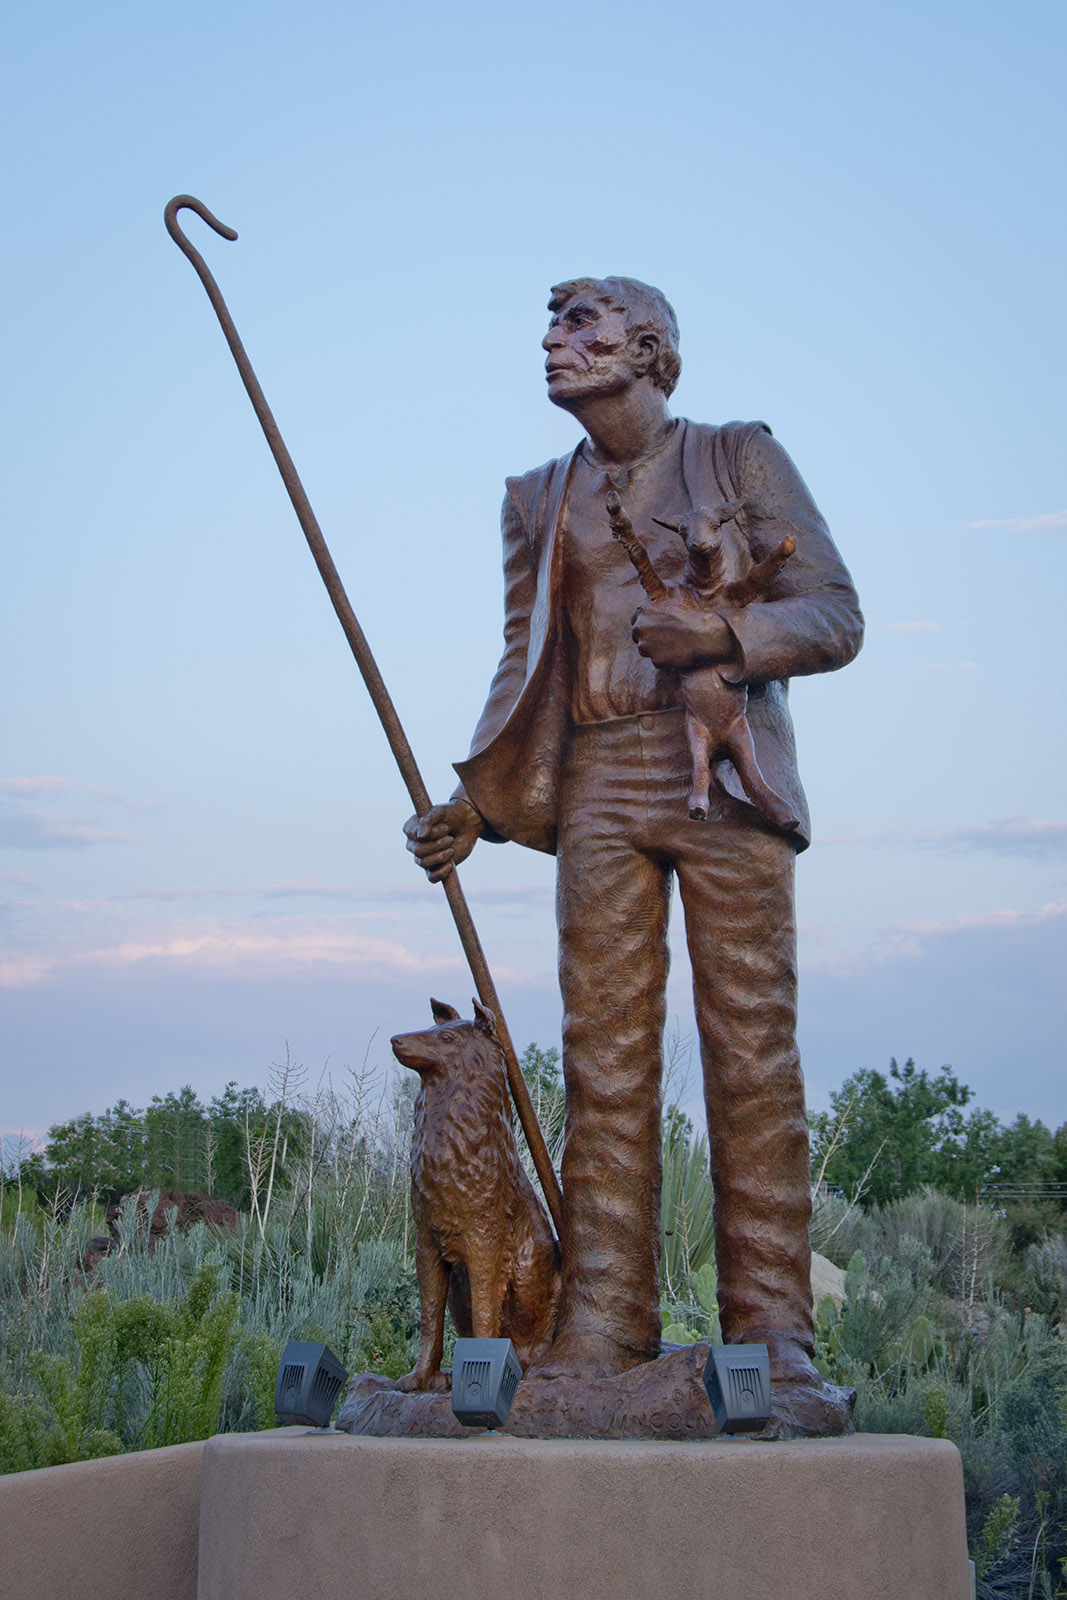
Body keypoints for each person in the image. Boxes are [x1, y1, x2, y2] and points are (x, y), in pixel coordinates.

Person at [405, 277, 863, 1420]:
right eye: (551, 325)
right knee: (600, 1061)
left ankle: (772, 1335)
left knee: (750, 1055)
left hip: (722, 770)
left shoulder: (736, 454)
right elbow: (525, 663)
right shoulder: (536, 497)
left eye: (579, 325)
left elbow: (832, 612)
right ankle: (603, 1322)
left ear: (647, 348)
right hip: (599, 770)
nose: (552, 343)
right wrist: (475, 801)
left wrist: (721, 629)